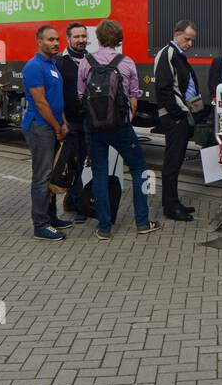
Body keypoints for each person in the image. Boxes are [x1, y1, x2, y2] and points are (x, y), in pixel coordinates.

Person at [75, 19, 161, 240]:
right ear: (119, 38)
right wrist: (126, 119)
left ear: (99, 38)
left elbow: (81, 96)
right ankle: (142, 222)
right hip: (121, 127)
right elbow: (134, 97)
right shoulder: (127, 63)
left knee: (100, 173)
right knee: (139, 168)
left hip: (95, 128)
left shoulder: (86, 62)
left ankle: (104, 228)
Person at [23, 25, 73, 241]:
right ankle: (40, 225)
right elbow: (41, 103)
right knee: (42, 176)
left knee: (51, 174)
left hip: (52, 124)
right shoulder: (34, 67)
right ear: (39, 42)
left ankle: (51, 217)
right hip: (39, 126)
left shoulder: (52, 64)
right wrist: (56, 126)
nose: (55, 43)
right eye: (50, 39)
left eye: (57, 39)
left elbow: (55, 99)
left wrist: (64, 122)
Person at [153, 20, 202, 221]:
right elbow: (164, 89)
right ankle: (171, 207)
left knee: (175, 161)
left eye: (192, 40)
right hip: (175, 117)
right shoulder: (168, 54)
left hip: (180, 115)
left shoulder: (178, 56)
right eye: (187, 39)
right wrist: (177, 114)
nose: (189, 44)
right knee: (172, 162)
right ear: (176, 34)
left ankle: (171, 201)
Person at [55, 22, 92, 217]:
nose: (81, 40)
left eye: (83, 36)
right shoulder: (60, 62)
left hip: (86, 121)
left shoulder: (91, 60)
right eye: (76, 37)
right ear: (68, 39)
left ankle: (73, 200)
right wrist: (61, 122)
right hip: (68, 122)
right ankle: (72, 200)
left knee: (82, 163)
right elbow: (55, 95)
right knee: (70, 162)